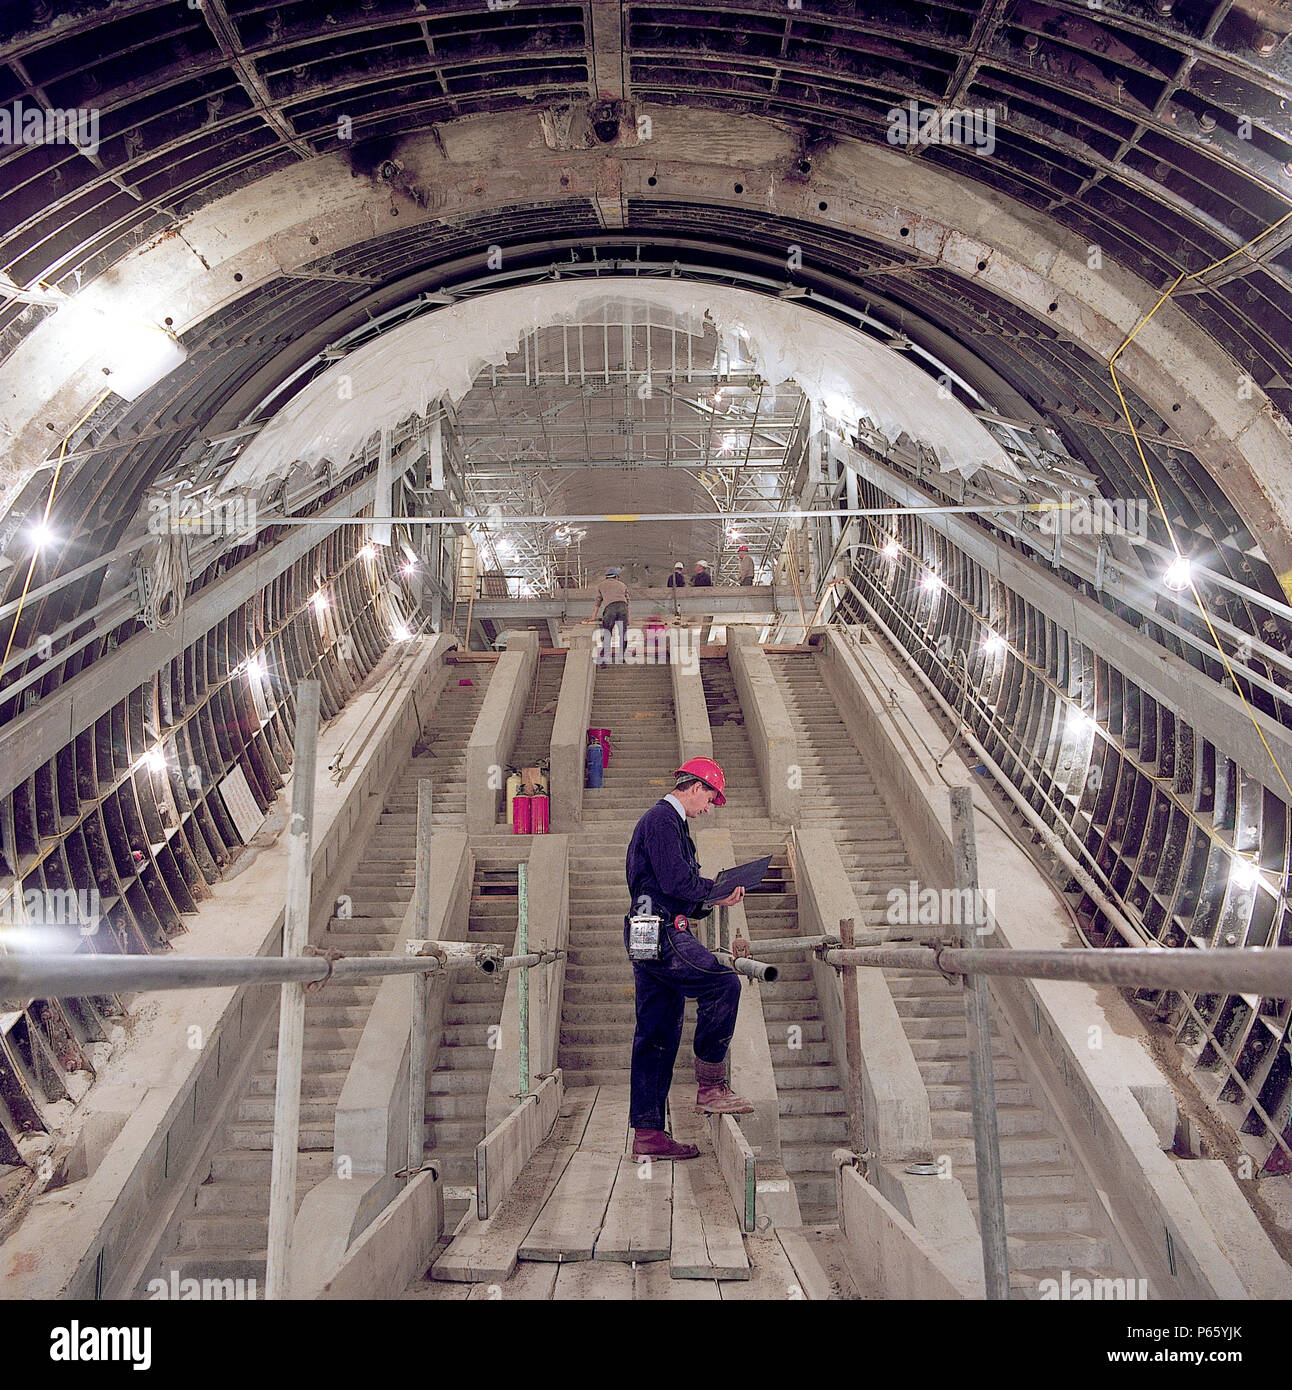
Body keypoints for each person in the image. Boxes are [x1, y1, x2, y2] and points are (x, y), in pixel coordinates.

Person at [624, 757, 754, 1160]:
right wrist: (715, 888)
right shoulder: (663, 820)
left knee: (657, 1033)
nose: (709, 808)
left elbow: (675, 888)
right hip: (662, 929)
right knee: (723, 984)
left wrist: (713, 898)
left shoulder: (668, 823)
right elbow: (676, 882)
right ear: (696, 787)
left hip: (646, 928)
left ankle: (648, 1135)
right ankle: (711, 1087)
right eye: (710, 798)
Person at [592, 567, 630, 665]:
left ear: (606, 577)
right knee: (623, 634)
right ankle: (621, 658)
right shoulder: (622, 585)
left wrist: (593, 617)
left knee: (607, 634)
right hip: (623, 608)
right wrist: (628, 618)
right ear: (616, 577)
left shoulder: (601, 585)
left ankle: (604, 659)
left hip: (610, 609)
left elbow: (597, 603)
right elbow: (627, 602)